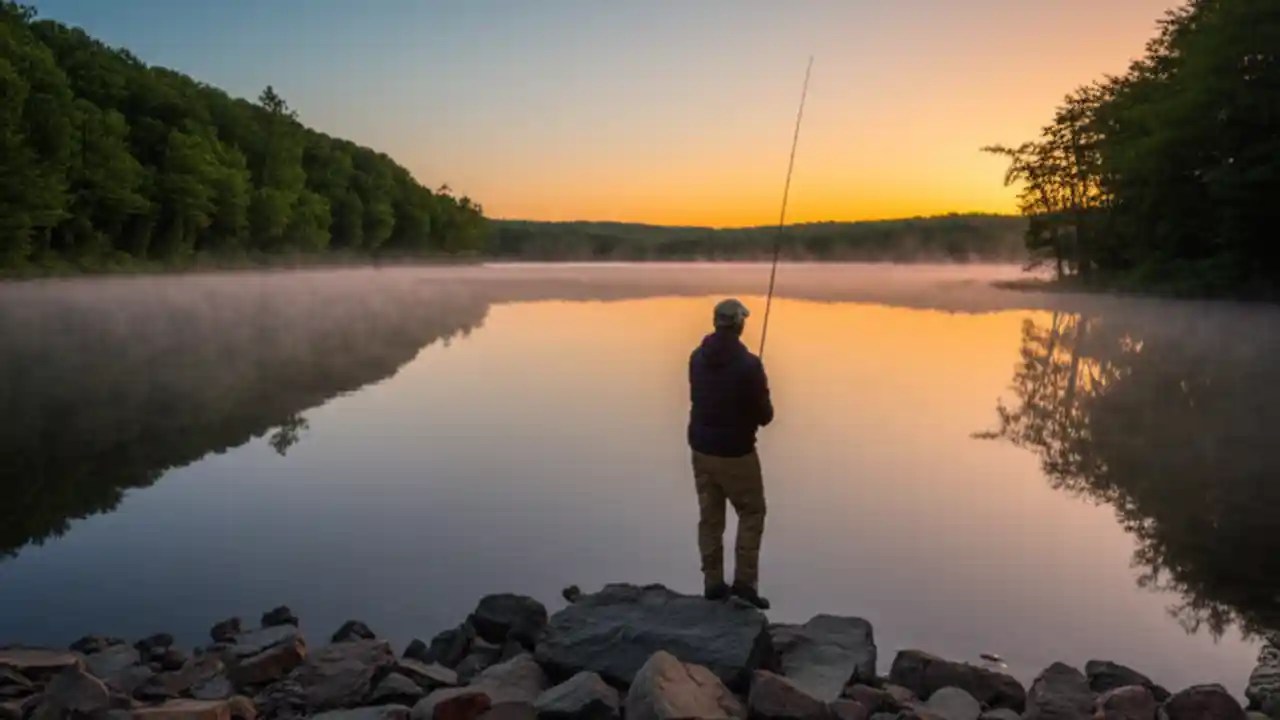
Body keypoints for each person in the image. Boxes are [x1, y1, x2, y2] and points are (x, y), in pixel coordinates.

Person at [687, 298, 774, 609]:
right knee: (752, 512)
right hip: (736, 453)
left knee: (710, 518)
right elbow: (765, 416)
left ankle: (712, 583)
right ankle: (744, 586)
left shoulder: (696, 357)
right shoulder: (749, 365)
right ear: (739, 324)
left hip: (701, 449)